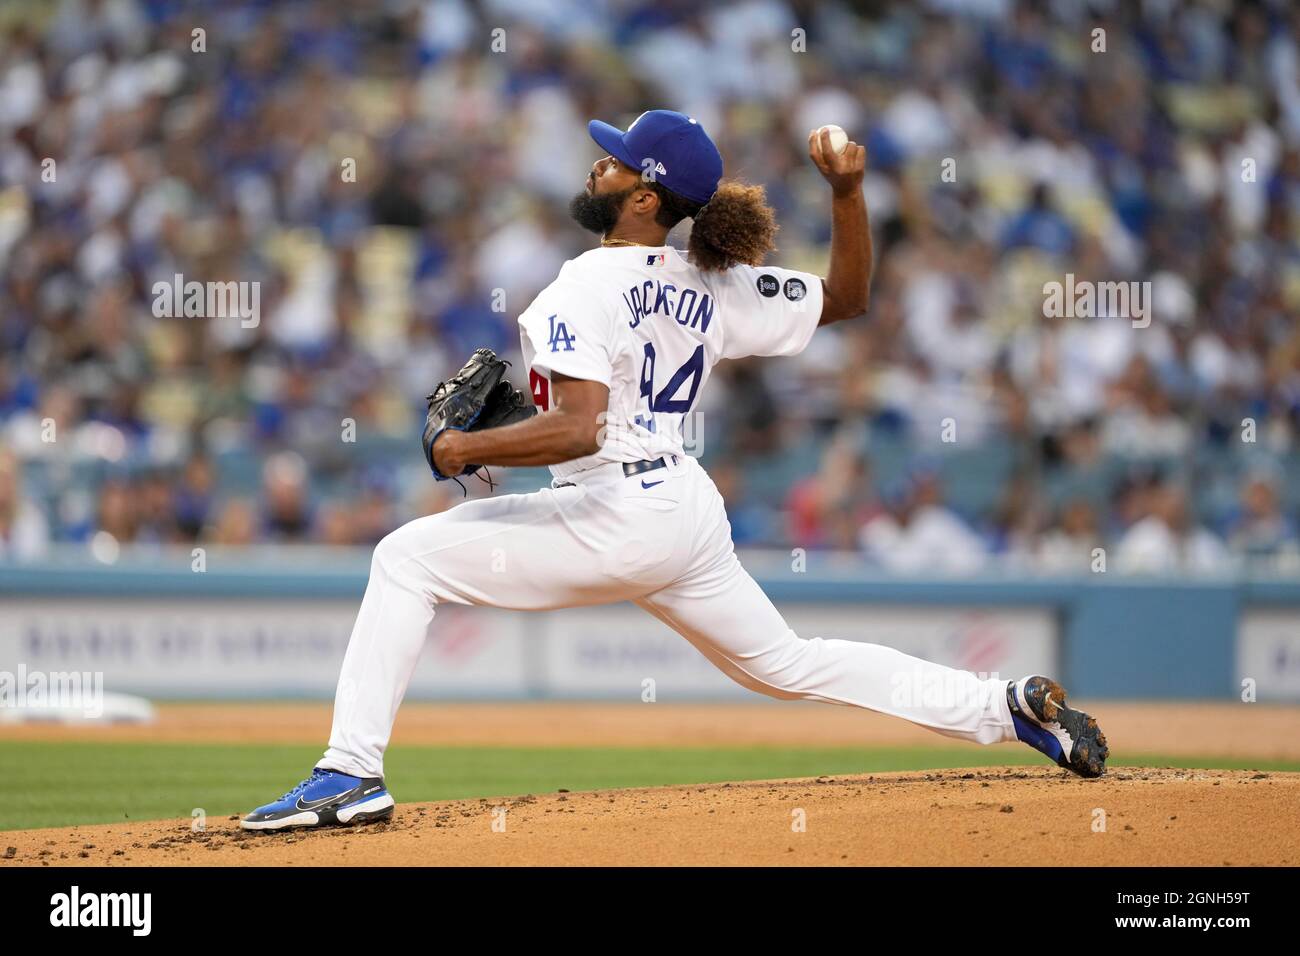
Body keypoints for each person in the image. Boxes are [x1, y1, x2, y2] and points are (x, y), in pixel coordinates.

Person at [241, 111, 1107, 831]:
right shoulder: (708, 281)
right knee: (786, 664)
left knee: (403, 559)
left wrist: (461, 449)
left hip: (613, 509)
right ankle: (1005, 707)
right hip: (683, 510)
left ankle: (351, 772)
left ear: (644, 195)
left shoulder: (577, 290)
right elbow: (847, 297)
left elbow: (577, 431)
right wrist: (847, 194)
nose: (597, 161)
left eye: (613, 159)